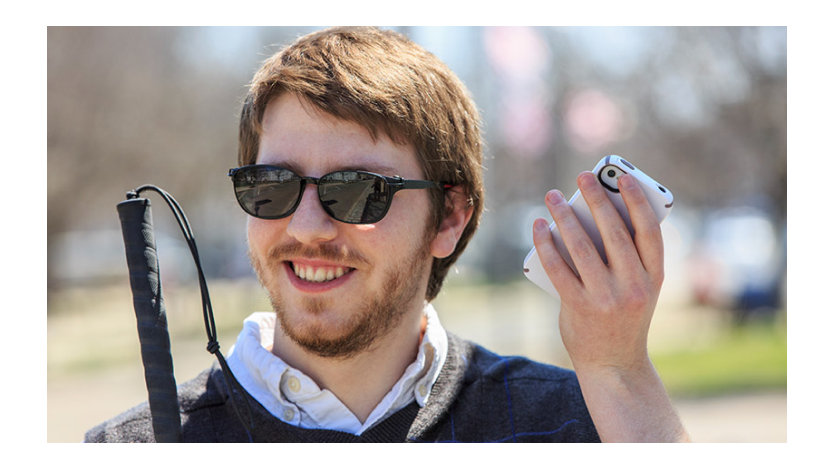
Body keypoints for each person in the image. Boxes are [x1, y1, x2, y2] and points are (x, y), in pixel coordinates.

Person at [85, 26, 689, 443]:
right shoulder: (132, 446)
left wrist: (619, 371)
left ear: (448, 218)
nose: (306, 226)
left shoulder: (578, 424)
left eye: (357, 191)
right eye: (272, 185)